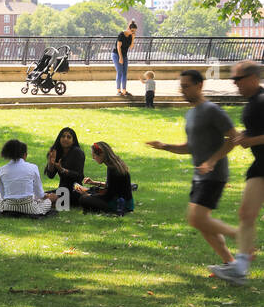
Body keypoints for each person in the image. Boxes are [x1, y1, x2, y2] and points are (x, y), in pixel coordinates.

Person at [145, 69, 237, 269]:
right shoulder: (192, 113)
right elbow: (191, 147)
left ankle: (240, 235)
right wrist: (166, 146)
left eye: (186, 87)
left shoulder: (212, 110)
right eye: (181, 87)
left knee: (197, 219)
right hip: (200, 175)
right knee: (202, 224)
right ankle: (230, 263)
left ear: (199, 85)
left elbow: (233, 138)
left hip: (214, 174)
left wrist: (212, 161)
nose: (183, 91)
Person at [209, 60, 264, 285]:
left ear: (252, 79)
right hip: (261, 165)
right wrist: (243, 137)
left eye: (237, 80)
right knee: (246, 214)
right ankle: (240, 268)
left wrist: (251, 140)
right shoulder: (254, 103)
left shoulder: (261, 101)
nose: (235, 84)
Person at [0, 139, 51, 214]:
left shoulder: (1, 170)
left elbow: (3, 195)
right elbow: (39, 194)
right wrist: (44, 197)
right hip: (30, 208)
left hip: (8, 208)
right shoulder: (33, 167)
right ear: (25, 155)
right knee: (47, 201)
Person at [75, 141, 134, 214]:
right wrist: (93, 183)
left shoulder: (112, 169)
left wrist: (89, 195)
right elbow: (111, 185)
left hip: (120, 204)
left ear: (102, 154)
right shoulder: (116, 163)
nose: (93, 158)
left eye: (94, 155)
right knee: (91, 191)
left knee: (83, 199)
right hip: (126, 202)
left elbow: (108, 196)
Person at [44, 126, 86, 207]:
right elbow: (51, 176)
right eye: (63, 136)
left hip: (75, 190)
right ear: (59, 138)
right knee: (43, 196)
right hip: (62, 189)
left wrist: (62, 170)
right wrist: (51, 164)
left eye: (69, 137)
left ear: (73, 141)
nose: (65, 139)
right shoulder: (57, 152)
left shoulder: (77, 152)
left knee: (49, 200)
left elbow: (79, 177)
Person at [113, 20, 138, 97]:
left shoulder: (130, 36)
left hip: (124, 55)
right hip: (117, 54)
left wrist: (133, 38)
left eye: (134, 31)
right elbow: (118, 47)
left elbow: (131, 47)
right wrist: (120, 58)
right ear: (128, 28)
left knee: (125, 73)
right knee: (119, 72)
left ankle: (124, 90)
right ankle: (118, 90)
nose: (133, 32)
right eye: (132, 31)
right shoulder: (121, 34)